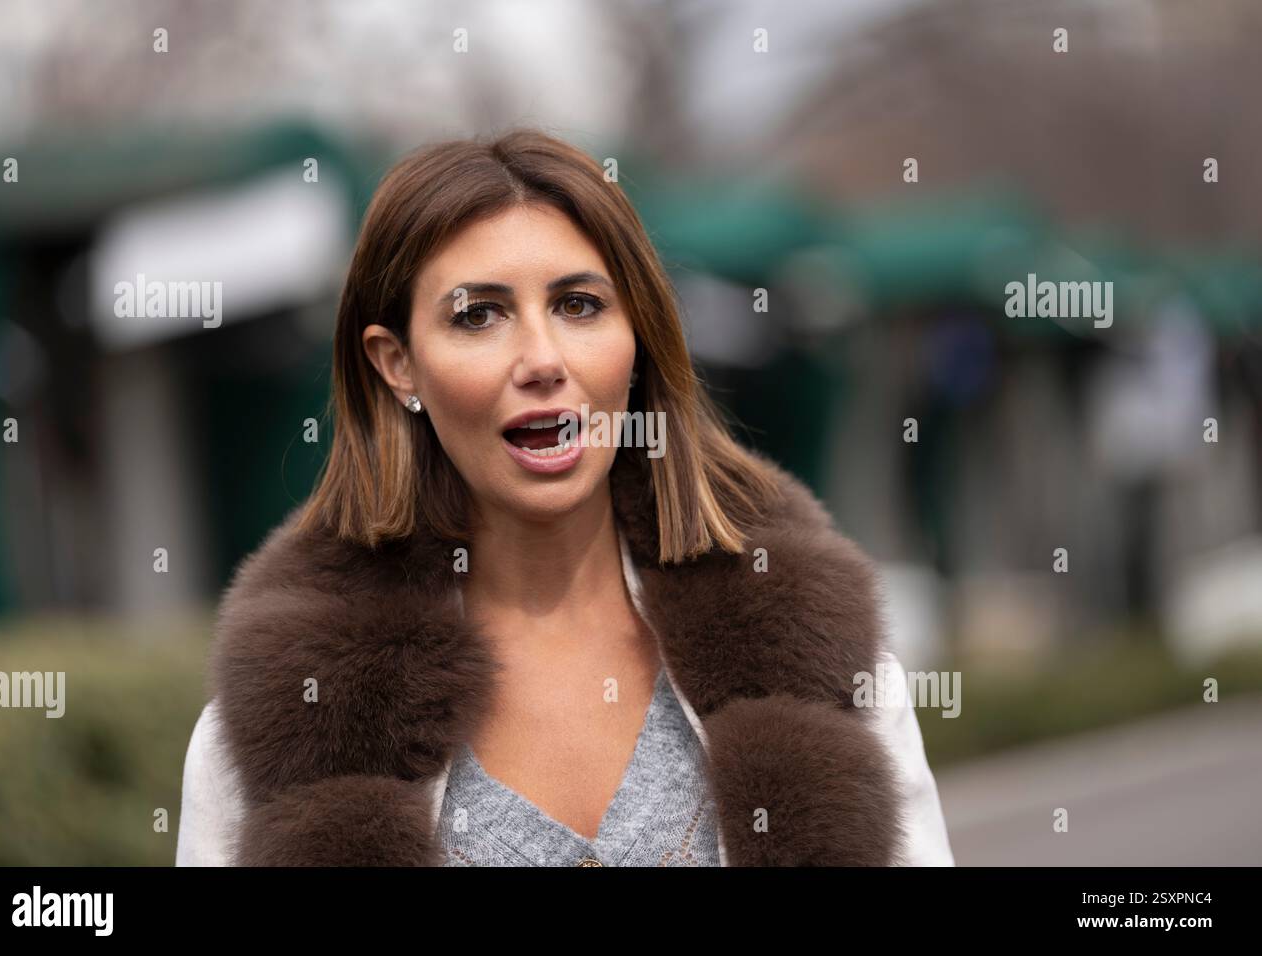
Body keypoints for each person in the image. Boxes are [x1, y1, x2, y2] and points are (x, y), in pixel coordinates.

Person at [176, 128, 955, 867]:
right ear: (396, 365)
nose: (542, 359)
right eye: (477, 315)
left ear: (640, 336)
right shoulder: (271, 734)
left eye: (579, 305)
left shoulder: (824, 667)